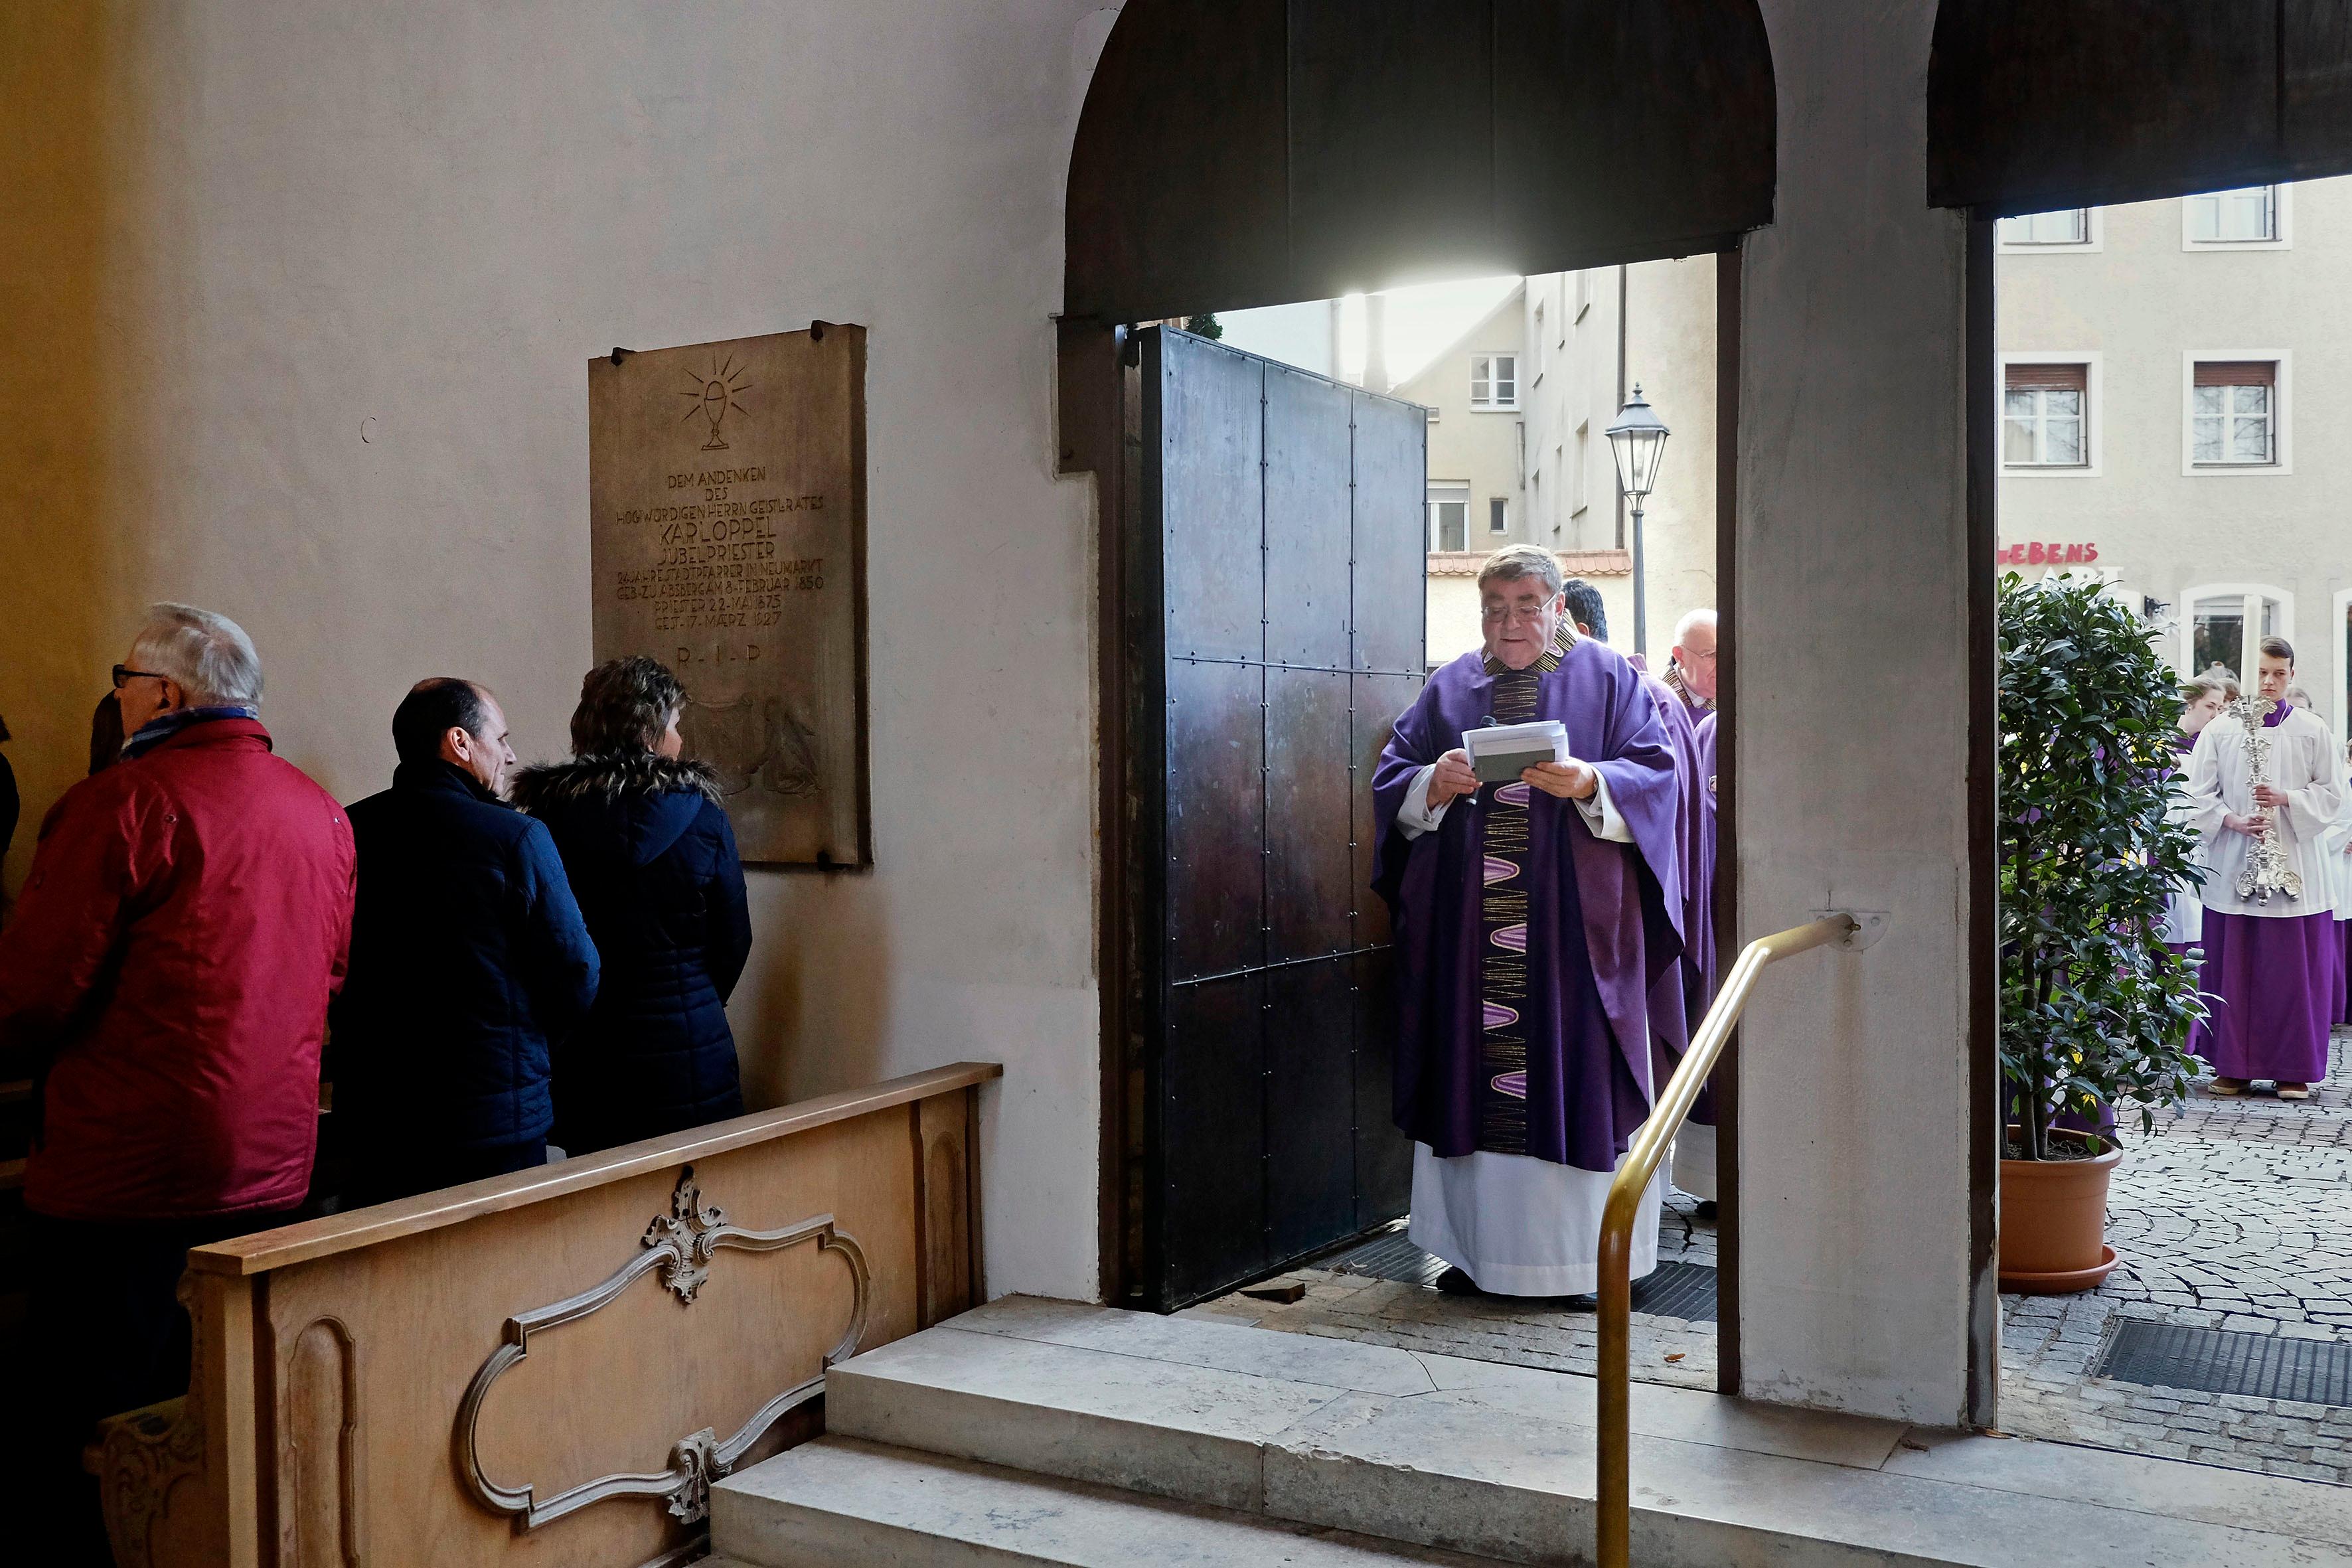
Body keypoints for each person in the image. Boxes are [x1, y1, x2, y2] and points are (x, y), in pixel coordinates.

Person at [0, 605, 355, 1556]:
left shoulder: (122, 802)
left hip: (128, 1166)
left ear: (164, 693)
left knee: (93, 1414)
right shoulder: (318, 808)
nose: (115, 696)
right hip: (272, 1160)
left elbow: (32, 994)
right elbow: (327, 973)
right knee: (222, 1403)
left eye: (121, 678)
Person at [1373, 545, 1684, 1300]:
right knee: (1468, 1083)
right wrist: (1430, 784)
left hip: (1572, 938)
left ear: (1556, 608)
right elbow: (1394, 776)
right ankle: (1478, 1254)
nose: (1510, 622)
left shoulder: (1610, 679)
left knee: (1573, 1079)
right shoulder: (1452, 685)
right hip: (1472, 940)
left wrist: (1591, 781)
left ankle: (1583, 1263)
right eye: (1495, 607)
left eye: (1526, 605)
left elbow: (1658, 775)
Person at [334, 679, 601, 1204]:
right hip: (489, 1116)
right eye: (500, 739)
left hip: (377, 1109)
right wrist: (532, 1047)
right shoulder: (515, 838)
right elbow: (576, 969)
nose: (510, 754)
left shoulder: (349, 828)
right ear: (459, 742)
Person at [512, 657, 753, 1154]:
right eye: (675, 725)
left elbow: (538, 943)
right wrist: (695, 998)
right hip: (690, 1047)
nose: (680, 739)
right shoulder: (704, 819)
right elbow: (733, 939)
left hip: (589, 1051)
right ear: (650, 734)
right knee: (698, 1213)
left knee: (599, 1208)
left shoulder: (545, 822)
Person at [2184, 637, 2343, 1099]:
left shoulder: (2313, 730)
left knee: (2292, 975)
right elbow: (2195, 793)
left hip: (2296, 867)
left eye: (2278, 673)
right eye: (2260, 673)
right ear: (2246, 677)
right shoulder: (2220, 731)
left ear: (2291, 675)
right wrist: (2231, 820)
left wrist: (2287, 799)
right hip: (2235, 865)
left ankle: (2292, 1068)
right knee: (2233, 970)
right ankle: (2231, 1065)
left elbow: (2333, 796)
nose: (2269, 681)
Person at [2162, 670, 2236, 958]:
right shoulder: (2161, 745)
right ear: (2188, 704)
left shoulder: (2215, 747)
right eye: (2210, 706)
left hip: (2201, 847)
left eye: (2220, 708)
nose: (2216, 714)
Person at [1664, 608, 1717, 717]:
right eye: (1711, 655)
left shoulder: (1743, 700)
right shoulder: (1653, 705)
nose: (1724, 665)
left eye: (1729, 654)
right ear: (1680, 656)